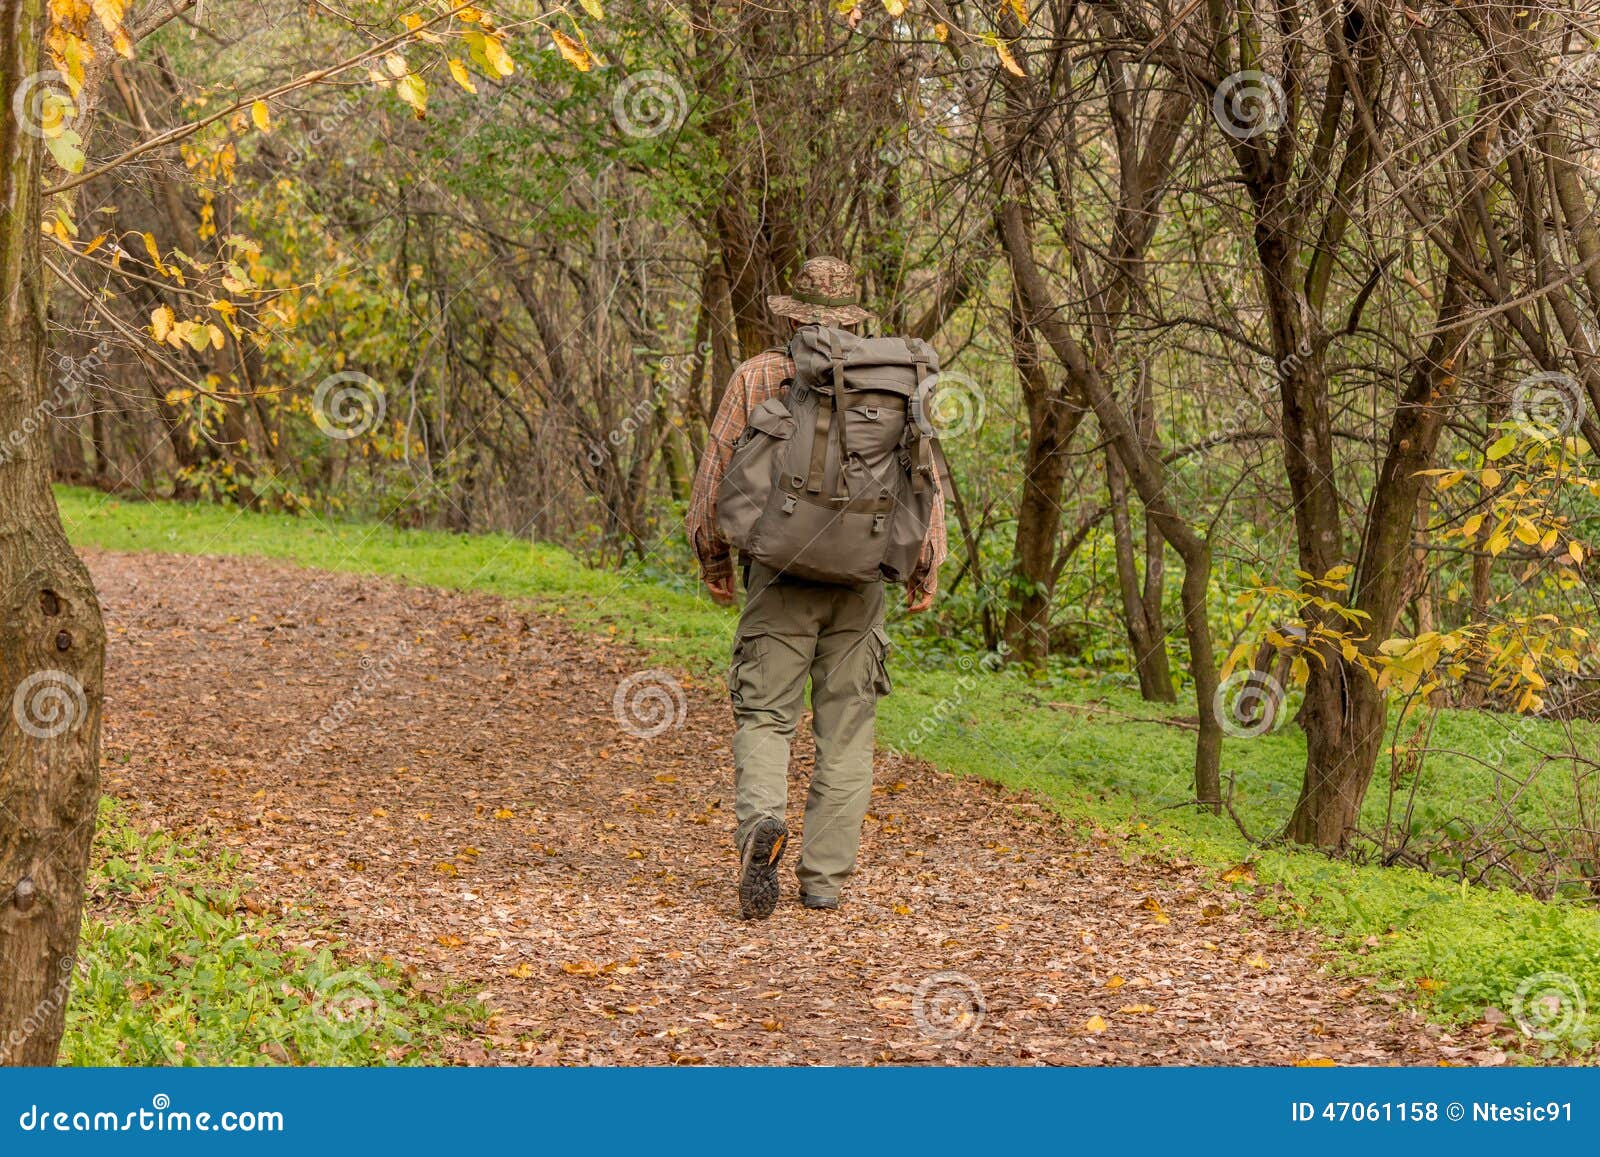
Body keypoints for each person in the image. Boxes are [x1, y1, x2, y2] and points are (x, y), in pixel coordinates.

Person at [685, 256, 947, 919]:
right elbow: (925, 481)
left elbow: (716, 476)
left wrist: (712, 556)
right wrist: (923, 564)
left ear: (792, 313)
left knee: (767, 715)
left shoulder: (760, 377)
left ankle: (761, 829)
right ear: (855, 315)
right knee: (848, 730)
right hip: (861, 581)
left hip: (779, 575)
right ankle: (824, 878)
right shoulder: (894, 383)